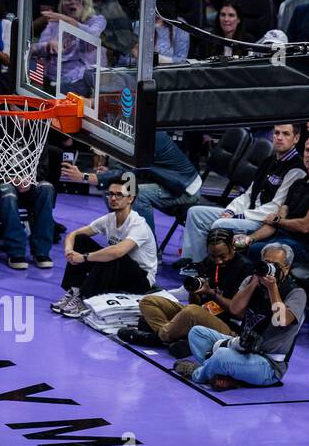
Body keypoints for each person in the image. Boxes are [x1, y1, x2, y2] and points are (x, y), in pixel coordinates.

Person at [174, 241, 306, 389]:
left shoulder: (296, 293)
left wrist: (272, 288)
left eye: (274, 265)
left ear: (286, 268)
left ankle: (197, 373)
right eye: (266, 263)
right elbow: (235, 309)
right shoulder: (251, 281)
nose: (269, 269)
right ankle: (225, 375)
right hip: (242, 347)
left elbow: (281, 321)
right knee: (197, 333)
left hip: (268, 364)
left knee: (222, 356)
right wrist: (255, 281)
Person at [180, 122, 304, 266]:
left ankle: (211, 270)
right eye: (276, 133)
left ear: (296, 138)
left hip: (263, 222)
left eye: (285, 134)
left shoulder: (296, 169)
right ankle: (193, 267)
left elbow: (276, 207)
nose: (279, 137)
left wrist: (240, 215)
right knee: (195, 213)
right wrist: (230, 210)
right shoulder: (269, 160)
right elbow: (248, 194)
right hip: (247, 214)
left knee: (220, 224)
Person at [62, 131, 202, 240]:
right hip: (164, 181)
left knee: (135, 195)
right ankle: (123, 236)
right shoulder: (136, 134)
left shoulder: (148, 137)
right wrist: (109, 174)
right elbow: (127, 171)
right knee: (111, 191)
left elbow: (126, 171)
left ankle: (148, 247)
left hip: (184, 188)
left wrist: (84, 177)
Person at [126, 229, 253, 348]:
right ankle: (173, 336)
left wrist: (212, 294)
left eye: (223, 256)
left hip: (229, 326)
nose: (218, 261)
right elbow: (196, 303)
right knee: (148, 301)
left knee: (191, 312)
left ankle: (158, 337)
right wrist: (194, 291)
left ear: (233, 247)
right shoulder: (208, 262)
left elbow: (238, 312)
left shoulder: (245, 268)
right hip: (204, 314)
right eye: (213, 256)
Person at [53, 177, 157, 318]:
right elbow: (74, 234)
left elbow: (117, 252)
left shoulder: (138, 225)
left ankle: (85, 298)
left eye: (119, 194)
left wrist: (84, 257)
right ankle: (75, 290)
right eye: (110, 194)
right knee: (81, 240)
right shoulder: (109, 219)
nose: (113, 198)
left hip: (140, 279)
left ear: (130, 199)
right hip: (118, 271)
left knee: (111, 255)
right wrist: (69, 251)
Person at [242, 133, 309, 264]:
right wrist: (250, 238)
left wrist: (278, 220)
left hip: (305, 248)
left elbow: (304, 226)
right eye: (307, 150)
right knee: (239, 242)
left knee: (256, 250)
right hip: (281, 237)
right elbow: (277, 221)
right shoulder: (298, 183)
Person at [29, 0, 107, 99]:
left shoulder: (97, 20)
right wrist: (48, 45)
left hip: (83, 77)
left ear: (86, 3)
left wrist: (69, 21)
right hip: (54, 75)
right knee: (31, 65)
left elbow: (93, 36)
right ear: (62, 4)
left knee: (63, 90)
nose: (72, 2)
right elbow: (35, 49)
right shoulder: (55, 23)